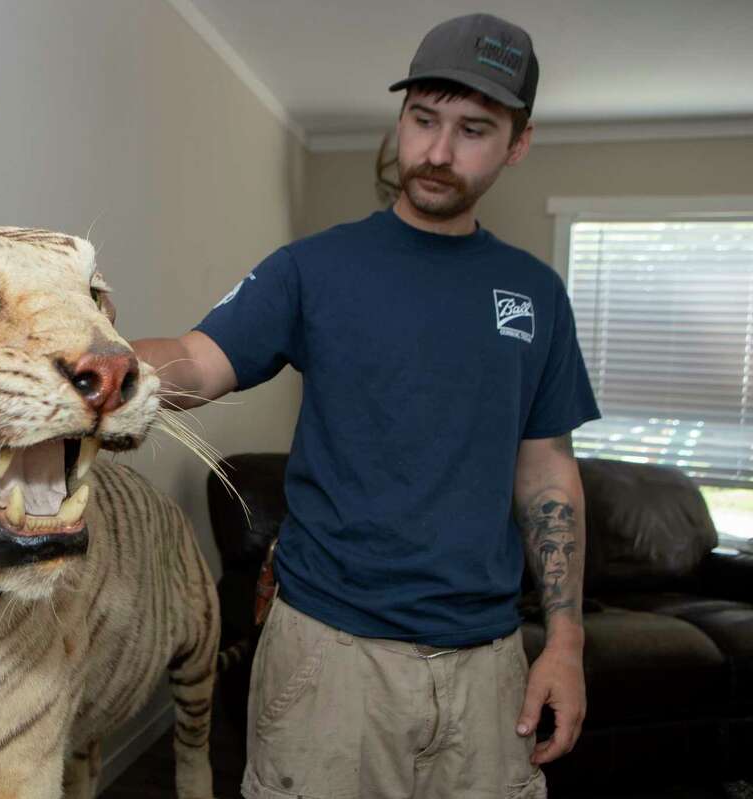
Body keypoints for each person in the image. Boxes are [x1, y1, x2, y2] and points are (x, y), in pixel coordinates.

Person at [132, 13, 599, 799]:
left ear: (518, 143)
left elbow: (547, 468)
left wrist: (567, 639)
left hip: (488, 669)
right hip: (329, 658)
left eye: (473, 130)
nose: (437, 152)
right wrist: (87, 363)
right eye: (423, 119)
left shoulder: (537, 294)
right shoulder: (313, 268)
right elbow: (195, 361)